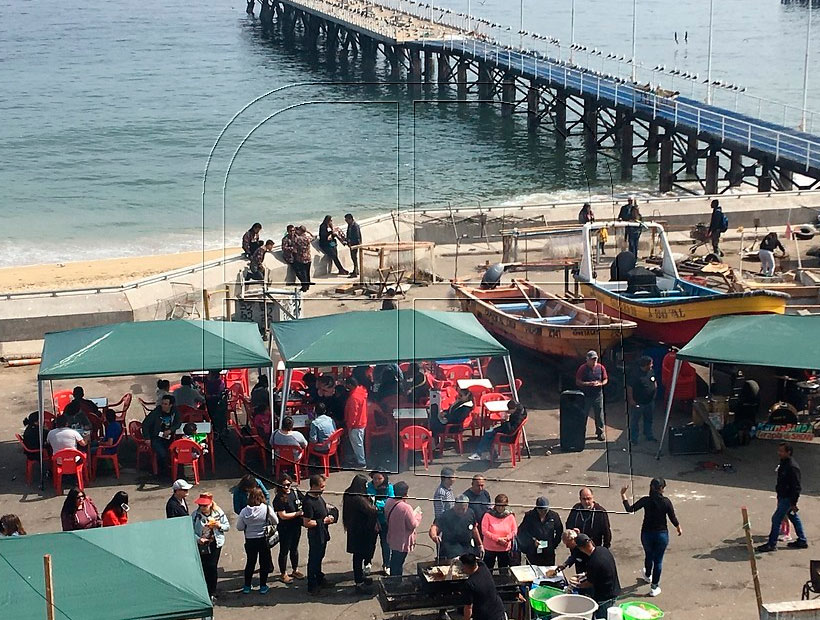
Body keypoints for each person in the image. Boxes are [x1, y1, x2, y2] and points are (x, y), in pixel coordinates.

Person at [621, 478, 682, 597]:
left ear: (651, 487)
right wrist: (678, 527)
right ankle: (654, 587)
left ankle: (647, 575)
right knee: (658, 560)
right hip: (661, 535)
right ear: (662, 489)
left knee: (648, 554)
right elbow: (672, 517)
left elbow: (630, 509)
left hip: (647, 534)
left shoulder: (646, 500)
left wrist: (623, 494)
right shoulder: (666, 502)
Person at [757, 442, 808, 552]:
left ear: (788, 452)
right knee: (793, 516)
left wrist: (793, 502)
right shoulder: (784, 463)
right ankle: (802, 540)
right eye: (779, 450)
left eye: (781, 451)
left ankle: (771, 544)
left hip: (787, 498)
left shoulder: (792, 467)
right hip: (783, 496)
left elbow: (796, 487)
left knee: (776, 519)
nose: (779, 453)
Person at [237, 487, 278, 594]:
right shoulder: (266, 509)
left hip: (250, 540)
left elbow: (240, 527)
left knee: (250, 562)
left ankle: (247, 586)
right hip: (263, 539)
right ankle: (263, 586)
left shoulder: (244, 511)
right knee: (264, 563)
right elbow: (275, 521)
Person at [343, 474, 379, 593]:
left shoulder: (349, 493)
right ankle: (359, 583)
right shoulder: (358, 498)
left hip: (355, 529)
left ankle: (360, 578)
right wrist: (374, 503)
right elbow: (371, 510)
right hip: (360, 531)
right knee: (358, 556)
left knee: (359, 555)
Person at [192, 492, 230, 600]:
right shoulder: (195, 515)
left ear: (210, 504)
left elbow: (227, 526)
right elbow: (190, 530)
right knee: (204, 567)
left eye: (205, 505)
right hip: (202, 544)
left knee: (212, 567)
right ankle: (204, 590)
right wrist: (198, 539)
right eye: (200, 505)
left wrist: (219, 525)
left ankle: (212, 591)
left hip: (215, 544)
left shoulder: (218, 513)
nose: (202, 507)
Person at [302, 474, 336, 594]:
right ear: (314, 486)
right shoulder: (308, 502)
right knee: (314, 559)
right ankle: (312, 584)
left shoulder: (318, 497)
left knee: (320, 557)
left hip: (323, 532)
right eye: (321, 487)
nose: (323, 489)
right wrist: (323, 521)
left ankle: (319, 578)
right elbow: (307, 522)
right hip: (315, 535)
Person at [574, 533, 622, 618]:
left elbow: (589, 583)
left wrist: (577, 585)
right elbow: (600, 571)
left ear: (581, 548)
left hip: (605, 598)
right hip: (614, 589)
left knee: (602, 617)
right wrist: (585, 575)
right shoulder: (603, 549)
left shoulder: (593, 562)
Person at [384, 481, 422, 576]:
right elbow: (412, 524)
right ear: (405, 493)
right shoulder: (405, 508)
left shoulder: (389, 501)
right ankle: (396, 583)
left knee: (394, 561)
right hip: (402, 541)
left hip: (392, 537)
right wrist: (418, 516)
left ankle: (392, 580)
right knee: (399, 563)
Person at [273, 473, 305, 583]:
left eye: (289, 484)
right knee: (284, 551)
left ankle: (295, 570)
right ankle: (283, 574)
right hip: (285, 528)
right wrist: (297, 513)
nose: (287, 487)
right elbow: (283, 515)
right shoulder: (279, 498)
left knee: (294, 549)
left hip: (296, 526)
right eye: (284, 485)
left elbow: (304, 502)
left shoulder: (295, 492)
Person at [429, 494, 483, 560]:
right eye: (458, 509)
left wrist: (480, 545)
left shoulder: (470, 513)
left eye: (463, 509)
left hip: (467, 548)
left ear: (467, 506)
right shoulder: (446, 515)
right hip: (450, 549)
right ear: (455, 505)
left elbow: (474, 529)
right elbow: (434, 527)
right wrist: (434, 536)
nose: (460, 511)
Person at [459, 552, 507, 620]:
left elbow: (468, 608)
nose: (461, 568)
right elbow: (478, 559)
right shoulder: (483, 567)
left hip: (485, 616)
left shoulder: (469, 584)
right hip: (500, 613)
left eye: (462, 566)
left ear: (466, 566)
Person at [518, 496, 563, 566]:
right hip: (533, 551)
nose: (542, 512)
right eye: (540, 510)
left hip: (548, 552)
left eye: (545, 510)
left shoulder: (554, 516)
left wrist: (553, 544)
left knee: (548, 572)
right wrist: (532, 541)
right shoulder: (529, 516)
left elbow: (559, 531)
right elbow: (522, 531)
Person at [143, 394, 181, 473]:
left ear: (171, 405)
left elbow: (178, 423)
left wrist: (170, 430)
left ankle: (174, 467)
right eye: (162, 403)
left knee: (175, 450)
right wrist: (147, 438)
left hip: (169, 436)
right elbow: (145, 424)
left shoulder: (175, 412)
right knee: (162, 453)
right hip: (156, 437)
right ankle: (162, 471)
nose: (163, 406)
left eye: (166, 404)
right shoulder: (156, 413)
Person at [575, 350, 608, 442]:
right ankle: (580, 433)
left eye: (595, 359)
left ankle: (600, 432)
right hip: (586, 396)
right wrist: (588, 384)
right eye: (592, 359)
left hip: (598, 395)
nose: (594, 361)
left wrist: (600, 383)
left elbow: (605, 379)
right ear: (587, 360)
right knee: (583, 414)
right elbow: (578, 381)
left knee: (599, 414)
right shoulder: (582, 368)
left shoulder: (601, 368)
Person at [366, 471, 394, 574]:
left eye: (379, 479)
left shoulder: (389, 488)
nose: (376, 481)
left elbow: (390, 502)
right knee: (370, 543)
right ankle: (367, 563)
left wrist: (376, 503)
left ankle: (387, 564)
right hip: (372, 520)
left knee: (386, 544)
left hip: (385, 521)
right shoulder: (369, 486)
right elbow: (367, 502)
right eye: (375, 478)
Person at [481, 494, 518, 569]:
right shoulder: (488, 515)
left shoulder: (510, 516)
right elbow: (484, 531)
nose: (500, 508)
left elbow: (514, 530)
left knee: (503, 569)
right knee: (488, 568)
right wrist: (497, 539)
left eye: (503, 506)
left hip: (504, 547)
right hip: (490, 548)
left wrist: (507, 538)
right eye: (499, 505)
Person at [626, 356, 657, 445]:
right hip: (638, 403)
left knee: (649, 419)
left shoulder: (650, 371)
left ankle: (649, 435)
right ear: (645, 365)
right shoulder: (635, 374)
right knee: (635, 421)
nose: (652, 365)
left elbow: (654, 381)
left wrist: (655, 391)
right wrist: (631, 400)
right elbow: (630, 387)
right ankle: (634, 438)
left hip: (649, 402)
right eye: (650, 364)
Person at [344, 376, 368, 469]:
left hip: (356, 424)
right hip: (361, 421)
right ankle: (359, 459)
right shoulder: (361, 392)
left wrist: (350, 425)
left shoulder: (354, 397)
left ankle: (361, 462)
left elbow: (353, 413)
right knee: (359, 443)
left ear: (350, 385)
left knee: (357, 443)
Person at [203, 371, 228, 435]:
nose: (207, 375)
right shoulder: (207, 380)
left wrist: (209, 396)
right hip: (210, 401)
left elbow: (219, 395)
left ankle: (215, 429)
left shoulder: (219, 383)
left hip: (216, 403)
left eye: (209, 374)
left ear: (213, 376)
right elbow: (197, 379)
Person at [292, 225, 314, 292]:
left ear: (300, 231)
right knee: (307, 272)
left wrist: (294, 233)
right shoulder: (307, 238)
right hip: (308, 257)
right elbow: (313, 237)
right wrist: (308, 231)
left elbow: (294, 246)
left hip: (301, 257)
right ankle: (307, 285)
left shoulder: (299, 239)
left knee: (303, 272)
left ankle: (304, 287)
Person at [343, 213, 362, 278]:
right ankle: (356, 270)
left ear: (350, 219)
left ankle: (355, 271)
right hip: (352, 243)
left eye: (347, 220)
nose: (346, 222)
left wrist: (351, 242)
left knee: (354, 257)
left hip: (355, 244)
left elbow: (357, 236)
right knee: (353, 258)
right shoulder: (350, 225)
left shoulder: (355, 226)